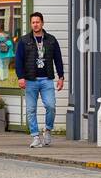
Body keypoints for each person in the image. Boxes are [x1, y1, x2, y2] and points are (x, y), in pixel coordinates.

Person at [14, 12, 65, 148]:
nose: (35, 24)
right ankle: (35, 136)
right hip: (30, 80)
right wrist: (20, 77)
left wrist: (61, 77)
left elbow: (58, 59)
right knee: (31, 109)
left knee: (51, 106)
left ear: (42, 23)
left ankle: (48, 130)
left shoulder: (51, 40)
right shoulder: (24, 40)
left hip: (46, 79)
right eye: (33, 22)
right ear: (31, 24)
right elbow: (18, 61)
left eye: (38, 22)